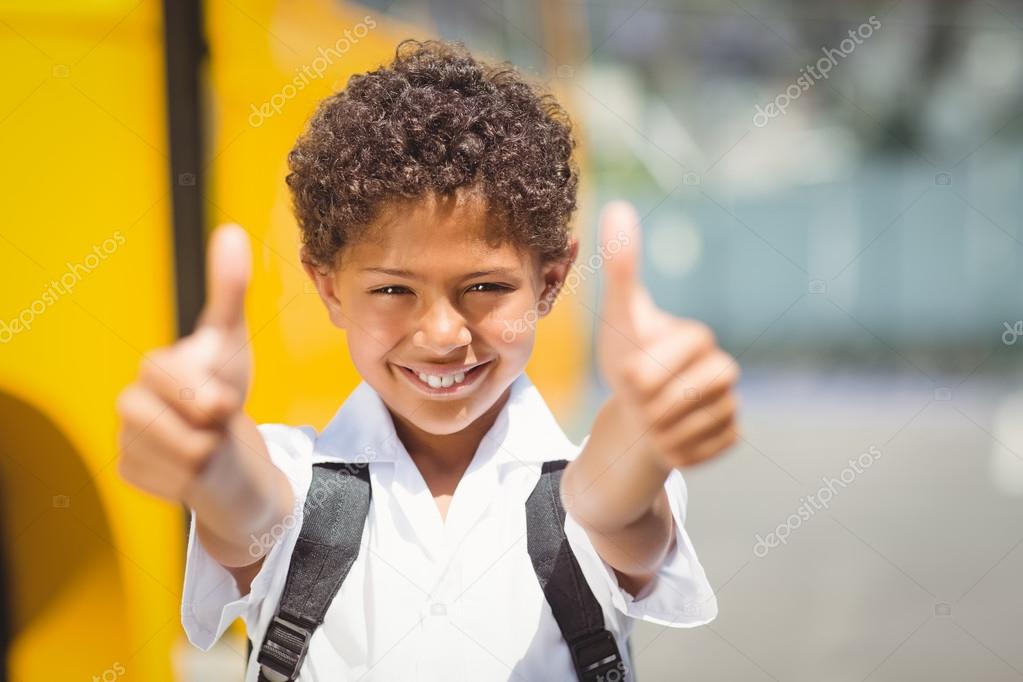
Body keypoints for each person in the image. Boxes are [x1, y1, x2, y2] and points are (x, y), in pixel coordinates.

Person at [116, 39, 740, 681]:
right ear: (329, 288)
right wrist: (207, 452)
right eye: (392, 290)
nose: (443, 335)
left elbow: (616, 509)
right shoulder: (297, 487)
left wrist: (646, 425)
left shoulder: (584, 493)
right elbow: (245, 506)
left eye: (487, 288)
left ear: (551, 281)